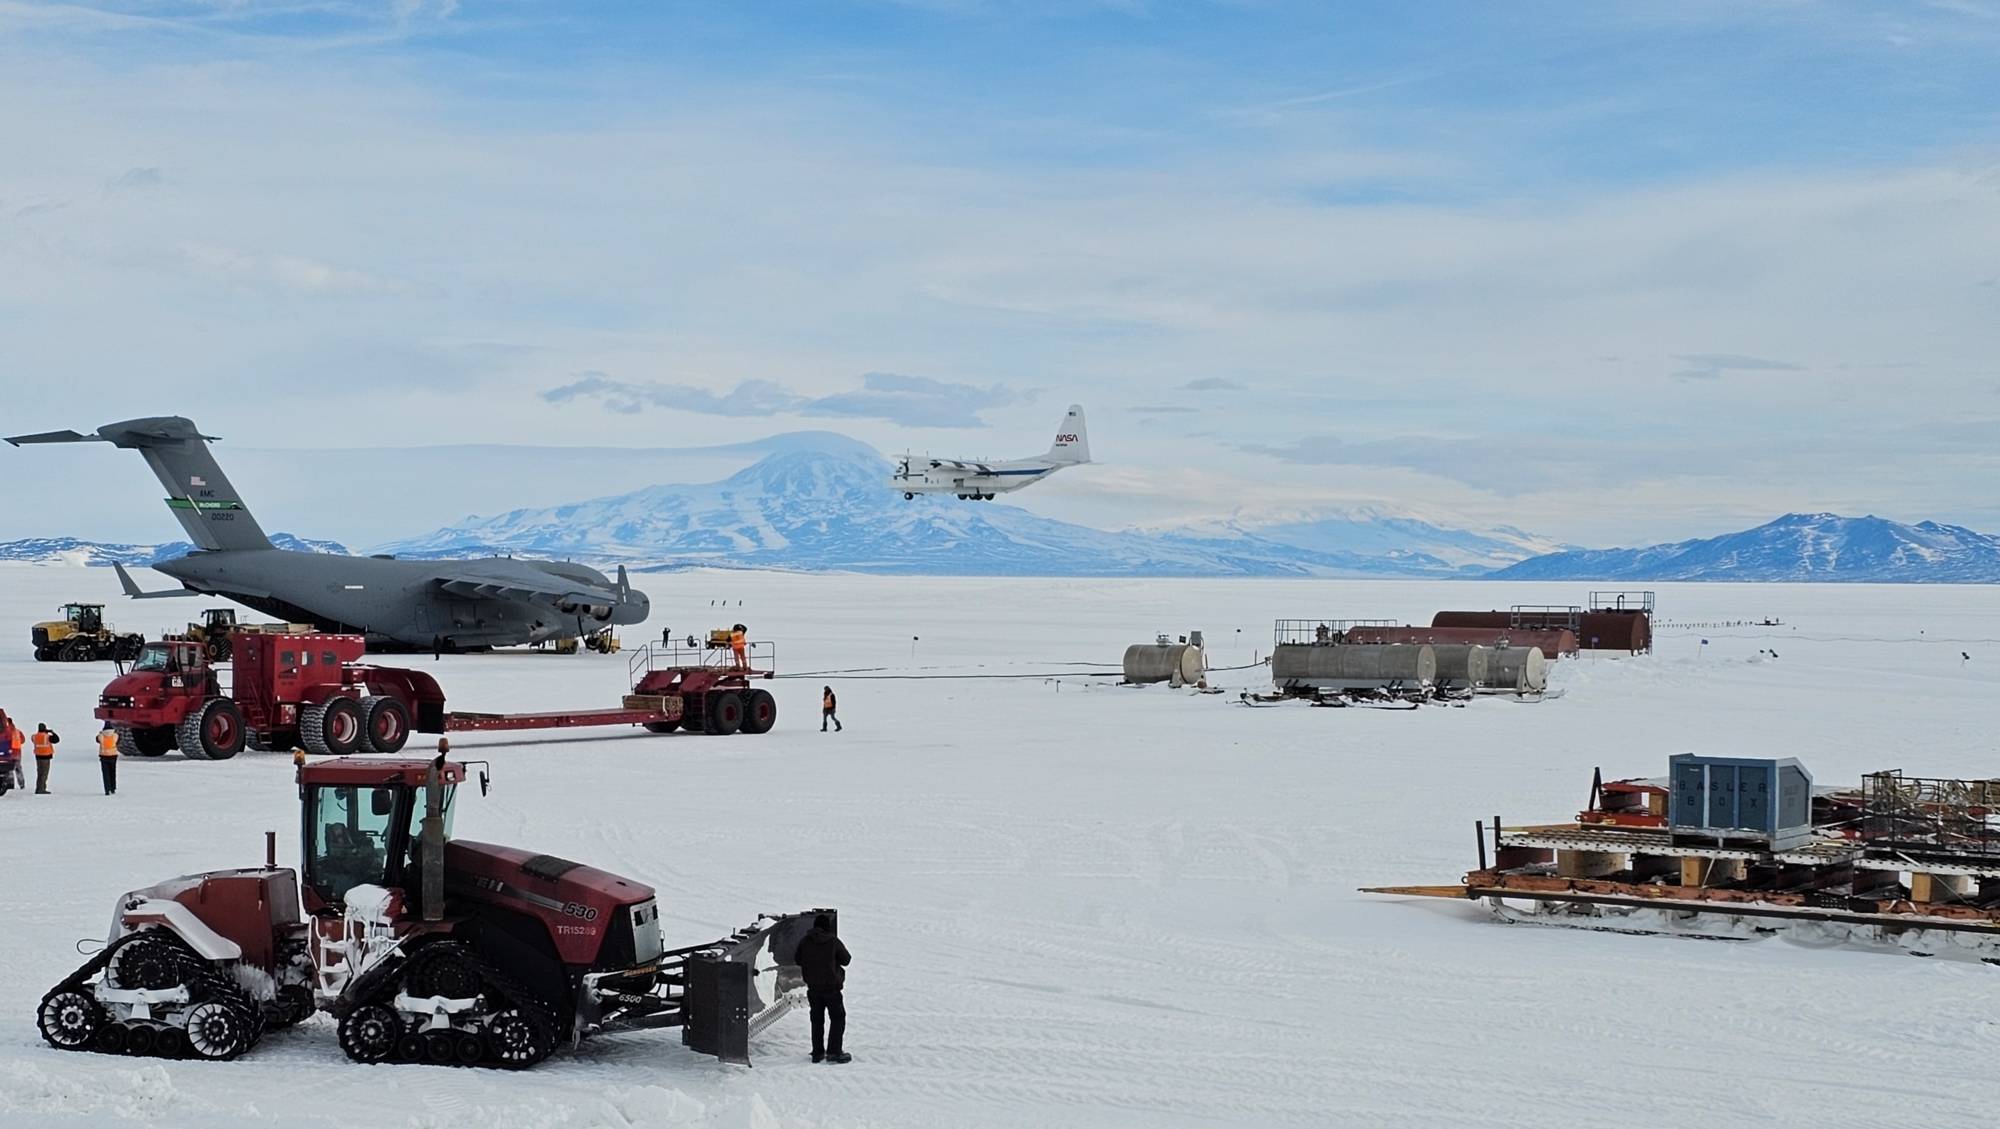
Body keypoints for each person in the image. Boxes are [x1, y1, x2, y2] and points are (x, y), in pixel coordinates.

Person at [794, 913, 851, 1063]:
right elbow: (846, 960)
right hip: (832, 988)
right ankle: (834, 1052)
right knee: (838, 1018)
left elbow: (798, 959)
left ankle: (817, 1052)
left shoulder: (805, 941)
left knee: (817, 1020)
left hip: (813, 988)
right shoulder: (833, 941)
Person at [32, 723, 60, 794]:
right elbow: (57, 740)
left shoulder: (34, 736)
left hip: (38, 757)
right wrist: (52, 732)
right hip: (46, 757)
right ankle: (41, 789)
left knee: (39, 773)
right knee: (44, 774)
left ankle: (38, 788)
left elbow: (34, 739)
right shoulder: (47, 736)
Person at [96, 723, 119, 796]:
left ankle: (107, 789)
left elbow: (97, 739)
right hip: (113, 756)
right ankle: (113, 788)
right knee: (113, 773)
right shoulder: (115, 736)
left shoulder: (101, 736)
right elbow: (118, 740)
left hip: (104, 757)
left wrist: (100, 733)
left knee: (106, 774)